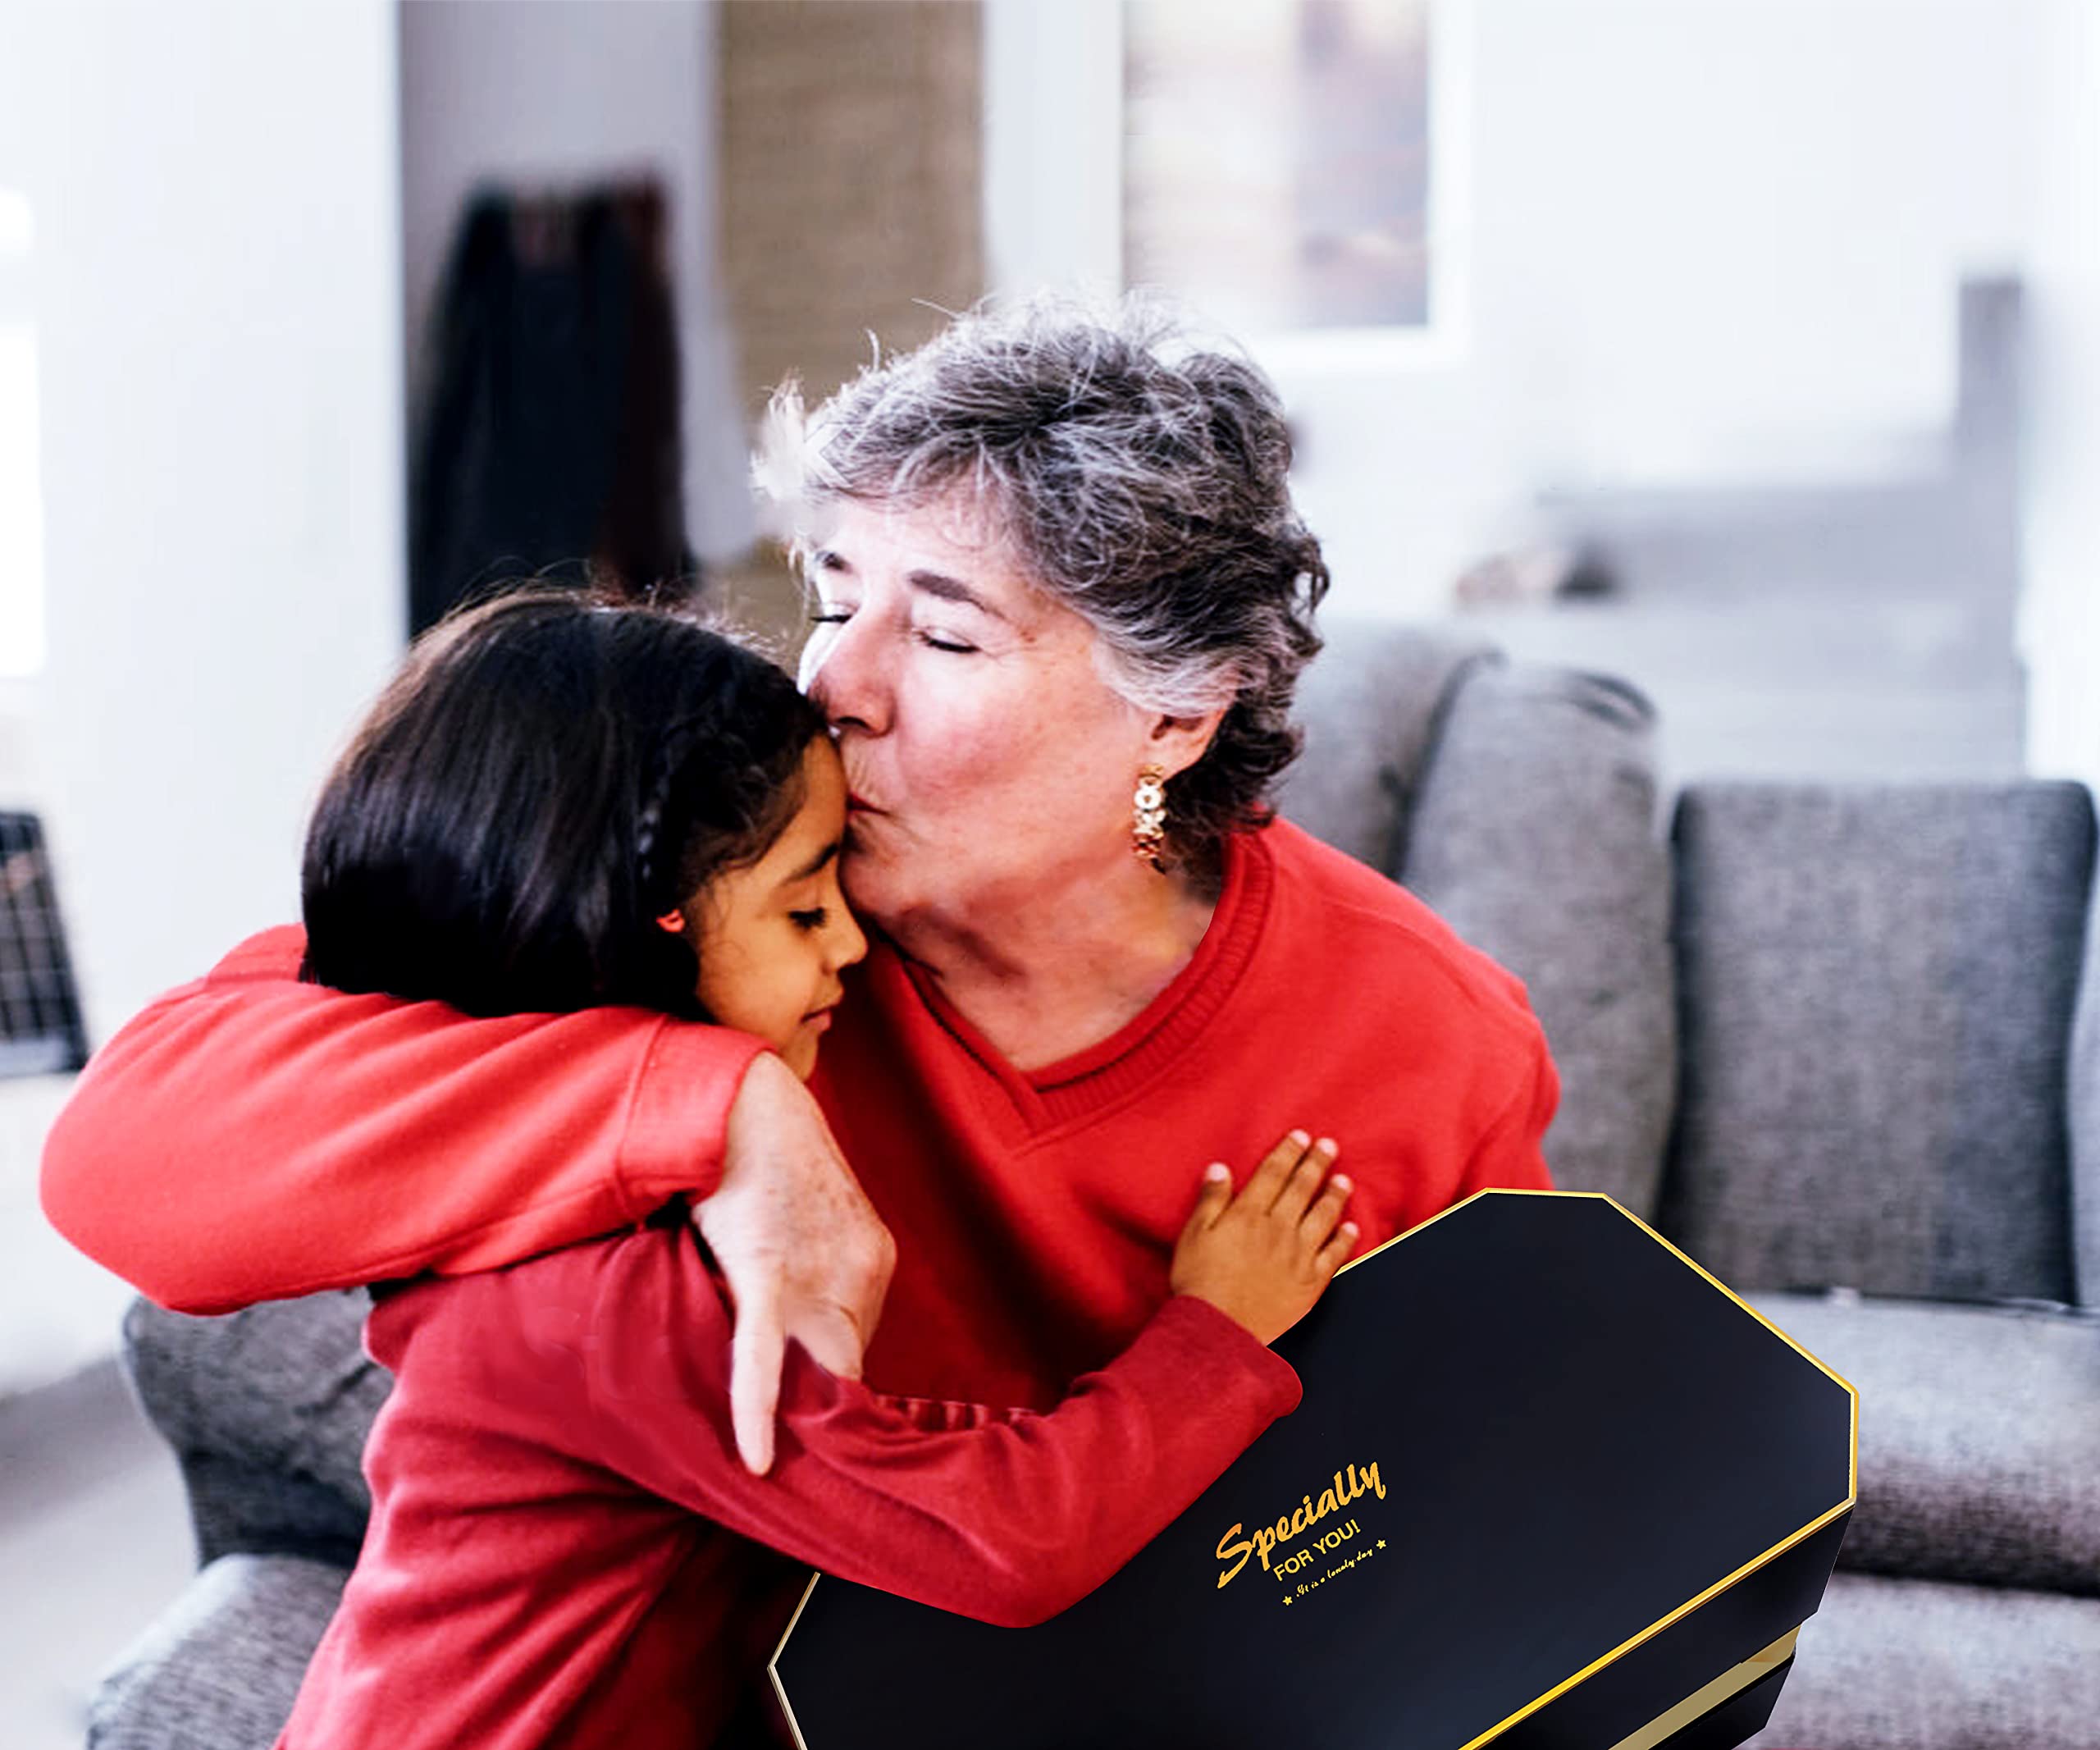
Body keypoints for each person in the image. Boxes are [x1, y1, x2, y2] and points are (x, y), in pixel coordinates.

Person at [43, 295, 1558, 1483]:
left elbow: (1491, 1487)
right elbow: (127, 1163)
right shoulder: (717, 895)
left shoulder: (1420, 1036)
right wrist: (723, 1109)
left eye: (947, 636)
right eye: (832, 595)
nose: (836, 681)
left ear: (1175, 710)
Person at [262, 588, 1354, 1748]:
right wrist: (1217, 1334)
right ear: (652, 921)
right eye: (801, 904)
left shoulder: (568, 1186)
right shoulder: (612, 1298)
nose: (849, 941)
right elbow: (1004, 1537)